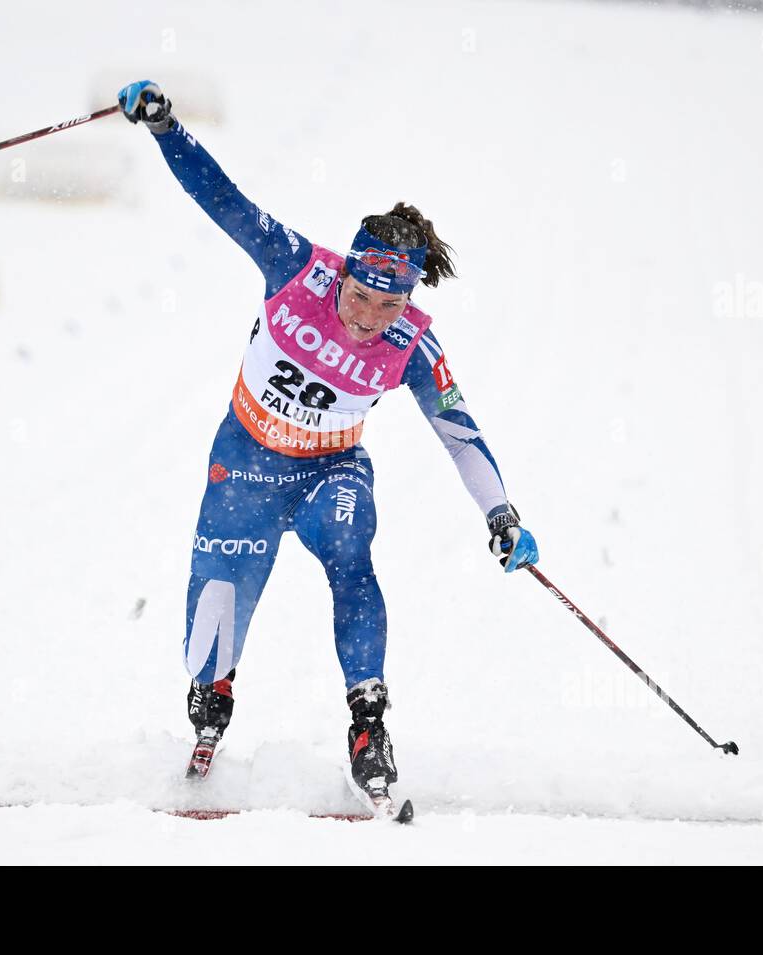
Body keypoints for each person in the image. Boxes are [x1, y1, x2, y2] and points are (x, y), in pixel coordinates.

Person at [117, 80, 539, 813]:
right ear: (344, 270)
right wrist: (166, 130)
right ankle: (211, 701)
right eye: (362, 296)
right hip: (245, 460)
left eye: (390, 304)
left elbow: (459, 432)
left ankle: (368, 726)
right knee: (214, 618)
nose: (370, 318)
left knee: (350, 548)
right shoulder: (296, 266)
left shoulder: (412, 342)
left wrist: (500, 513)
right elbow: (223, 199)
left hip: (329, 470)